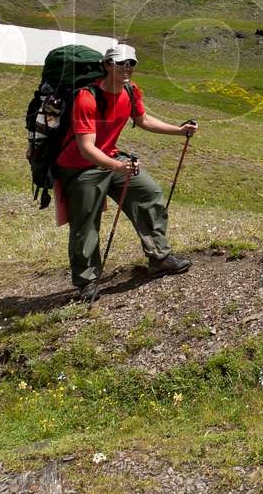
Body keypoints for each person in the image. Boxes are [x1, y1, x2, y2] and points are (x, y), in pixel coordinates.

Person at [55, 43, 196, 302]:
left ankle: (159, 258)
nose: (128, 68)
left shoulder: (130, 91)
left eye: (131, 63)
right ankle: (86, 282)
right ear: (108, 65)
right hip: (80, 168)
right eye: (121, 63)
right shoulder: (87, 98)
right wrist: (118, 166)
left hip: (110, 157)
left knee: (149, 192)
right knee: (85, 224)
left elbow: (142, 119)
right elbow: (86, 149)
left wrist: (179, 130)